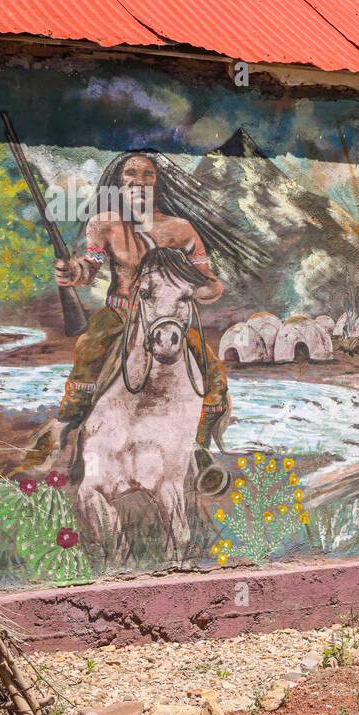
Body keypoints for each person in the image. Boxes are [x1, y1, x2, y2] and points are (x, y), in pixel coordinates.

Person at [37, 151, 231, 478]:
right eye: (131, 174)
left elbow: (211, 283)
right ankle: (65, 428)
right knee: (89, 351)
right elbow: (91, 268)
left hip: (169, 317)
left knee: (212, 372)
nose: (139, 181)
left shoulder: (182, 230)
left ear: (158, 182)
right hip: (120, 313)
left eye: (147, 175)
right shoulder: (104, 224)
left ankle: (199, 450)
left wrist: (193, 293)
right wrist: (73, 272)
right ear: (119, 181)